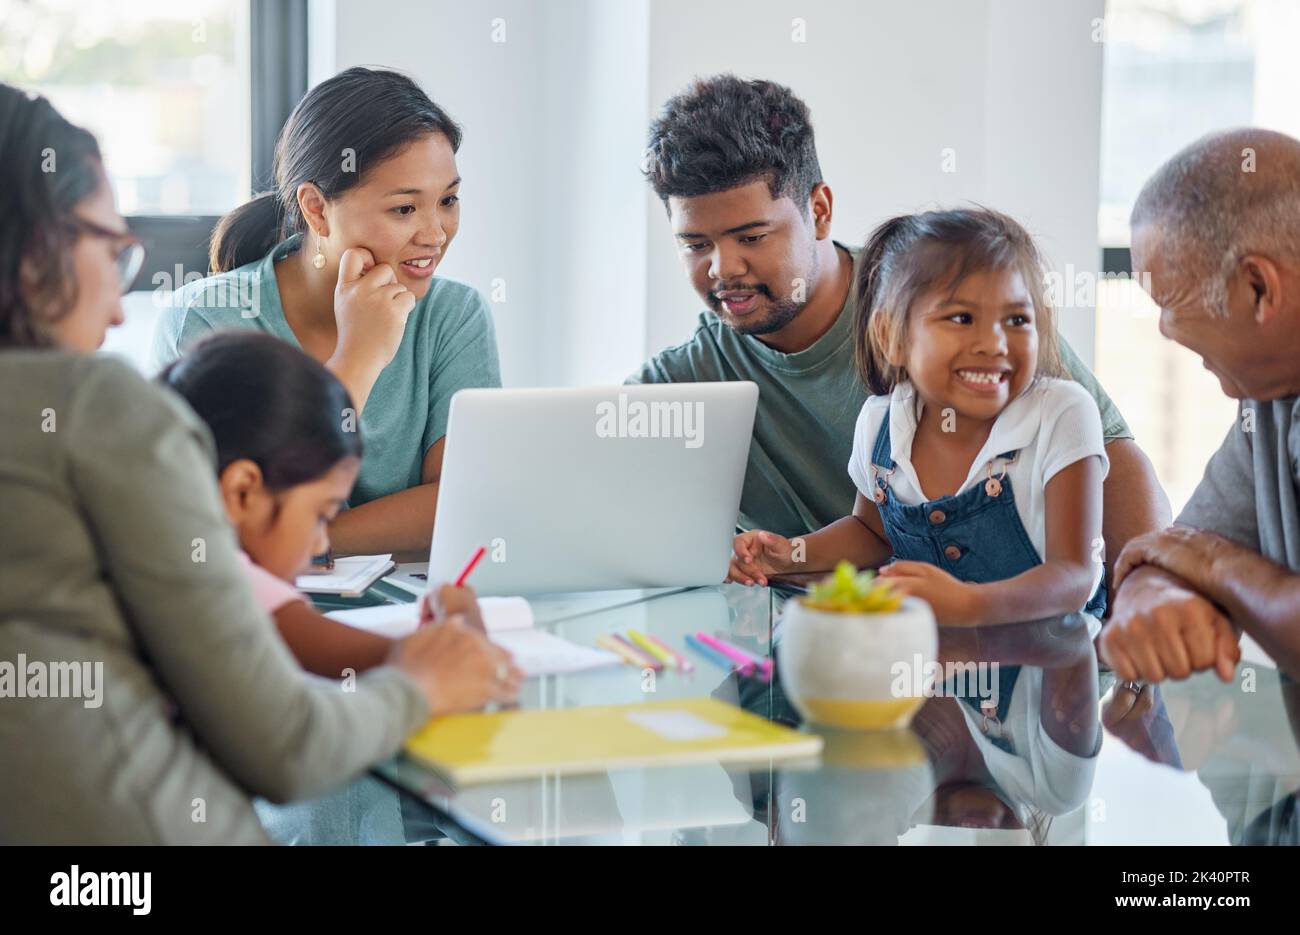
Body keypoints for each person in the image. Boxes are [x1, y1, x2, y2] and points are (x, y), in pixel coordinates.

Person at [0, 83, 517, 844]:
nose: (118, 308)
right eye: (113, 249)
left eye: (448, 202)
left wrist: (406, 653)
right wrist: (419, 679)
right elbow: (288, 744)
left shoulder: (453, 312)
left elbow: (235, 605)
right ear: (37, 246)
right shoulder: (99, 404)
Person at [632, 75, 1170, 591]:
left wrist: (1139, 647)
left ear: (818, 211)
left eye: (751, 236)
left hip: (1035, 644)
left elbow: (1113, 463)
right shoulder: (684, 380)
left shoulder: (936, 300)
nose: (723, 268)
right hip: (850, 653)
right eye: (695, 245)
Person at [152, 67, 499, 555]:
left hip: (404, 604)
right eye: (404, 209)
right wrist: (359, 357)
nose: (435, 233)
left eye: (448, 200)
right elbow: (211, 524)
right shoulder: (209, 319)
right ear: (316, 209)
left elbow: (462, 502)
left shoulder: (453, 315)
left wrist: (302, 537)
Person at [730, 207, 1107, 632]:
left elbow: (1075, 575)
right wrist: (789, 554)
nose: (994, 343)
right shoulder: (880, 423)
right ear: (891, 338)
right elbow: (871, 534)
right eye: (962, 318)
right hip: (929, 666)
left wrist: (969, 603)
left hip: (1051, 672)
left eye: (1017, 319)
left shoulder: (1062, 413)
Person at [1101, 128, 1300, 684]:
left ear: (1259, 288)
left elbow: (1203, 553)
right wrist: (1152, 597)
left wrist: (1216, 567)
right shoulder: (1269, 399)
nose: (1163, 330)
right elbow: (1180, 547)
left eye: (1169, 301)